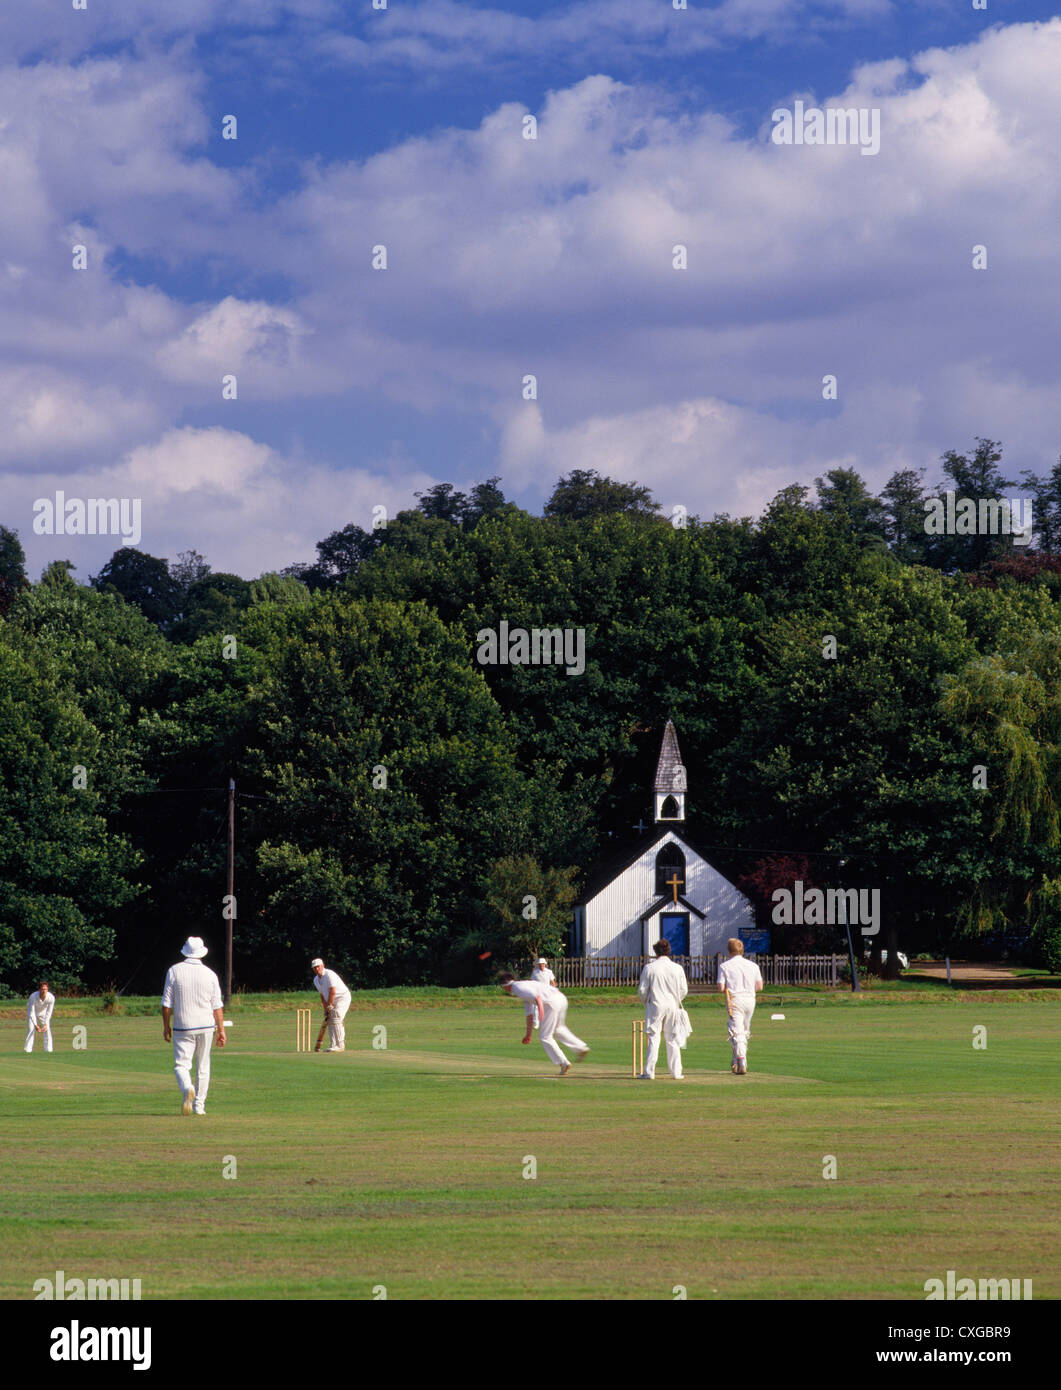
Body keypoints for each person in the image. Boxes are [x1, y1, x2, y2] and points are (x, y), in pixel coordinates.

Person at [161, 937, 225, 1115]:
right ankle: (199, 1106)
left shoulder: (174, 971)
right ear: (201, 953)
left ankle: (187, 1088)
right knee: (203, 1066)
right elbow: (217, 1006)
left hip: (183, 1025)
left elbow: (166, 1004)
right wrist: (221, 1030)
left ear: (185, 952)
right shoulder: (210, 974)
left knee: (182, 1065)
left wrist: (166, 1026)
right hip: (206, 1025)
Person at [498, 972, 589, 1076]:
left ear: (505, 985)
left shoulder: (517, 988)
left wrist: (541, 1010)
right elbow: (529, 1014)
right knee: (559, 1030)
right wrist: (528, 1035)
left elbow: (537, 997)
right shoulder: (523, 986)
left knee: (545, 1037)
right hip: (561, 998)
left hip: (550, 1003)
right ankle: (581, 1048)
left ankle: (563, 1063)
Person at [637, 940, 690, 1080]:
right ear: (668, 951)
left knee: (654, 1037)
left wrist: (646, 1002)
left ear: (655, 952)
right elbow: (684, 990)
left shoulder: (649, 968)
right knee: (672, 1038)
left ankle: (649, 1072)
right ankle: (676, 1073)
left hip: (655, 1004)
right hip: (672, 1005)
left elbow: (642, 990)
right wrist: (677, 1000)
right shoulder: (677, 968)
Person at [717, 938, 763, 1075]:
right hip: (750, 999)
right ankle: (736, 1061)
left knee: (737, 1032)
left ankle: (741, 1060)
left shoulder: (725, 966)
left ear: (729, 950)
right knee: (743, 1031)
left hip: (735, 1000)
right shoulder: (753, 965)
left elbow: (720, 987)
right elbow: (759, 986)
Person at [311, 957, 352, 1052]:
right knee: (330, 1019)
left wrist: (329, 1005)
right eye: (314, 968)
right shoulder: (316, 980)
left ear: (323, 966)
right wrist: (326, 1008)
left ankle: (340, 1045)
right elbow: (322, 995)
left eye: (318, 966)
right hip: (331, 999)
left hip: (342, 997)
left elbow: (333, 991)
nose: (316, 969)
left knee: (336, 1016)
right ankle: (333, 1044)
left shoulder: (329, 975)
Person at [25, 981, 55, 1053]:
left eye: (45, 989)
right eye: (42, 989)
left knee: (47, 1029)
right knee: (31, 1029)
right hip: (32, 1012)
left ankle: (48, 1050)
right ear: (39, 990)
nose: (43, 991)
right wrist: (36, 1025)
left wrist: (45, 1024)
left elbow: (49, 1012)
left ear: (47, 990)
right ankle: (28, 1050)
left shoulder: (51, 997)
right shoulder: (33, 996)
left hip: (43, 1013)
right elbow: (31, 1012)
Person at [529, 957, 557, 1029]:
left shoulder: (549, 972)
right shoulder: (535, 972)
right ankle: (536, 1023)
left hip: (547, 992)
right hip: (538, 992)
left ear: (545, 964)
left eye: (542, 964)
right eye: (540, 964)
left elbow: (552, 982)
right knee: (536, 1007)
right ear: (538, 965)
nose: (541, 965)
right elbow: (532, 982)